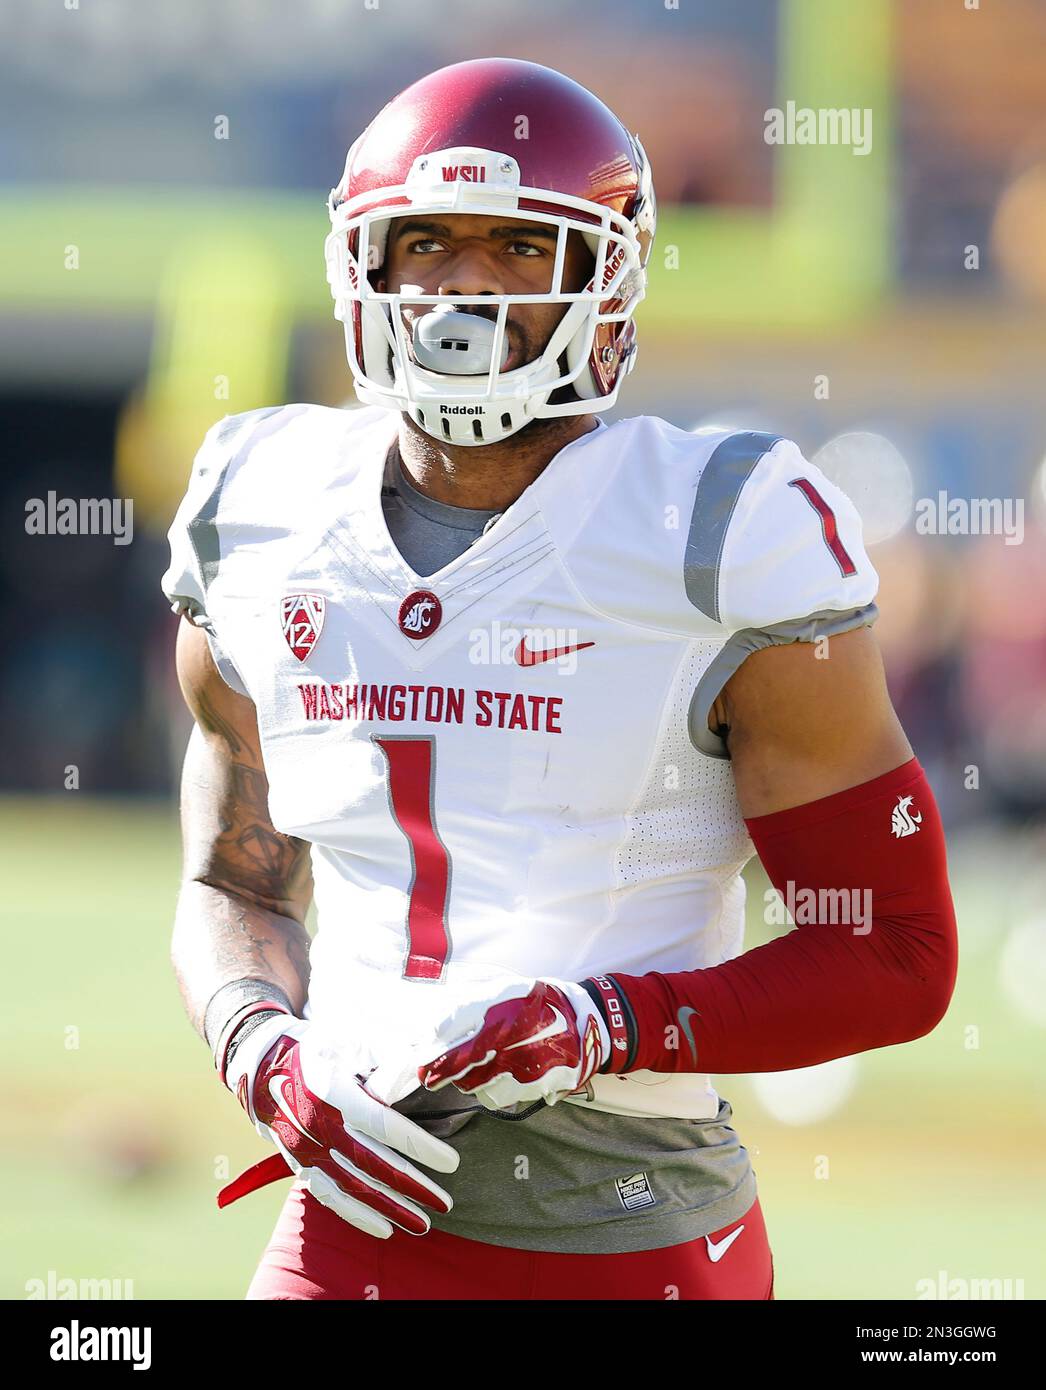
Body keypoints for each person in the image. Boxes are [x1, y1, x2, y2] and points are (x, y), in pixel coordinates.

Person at [162, 57, 957, 1301]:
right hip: (348, 1225)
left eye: (517, 246)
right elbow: (229, 882)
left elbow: (896, 952)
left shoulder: (713, 531)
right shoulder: (258, 506)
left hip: (628, 1234)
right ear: (361, 266)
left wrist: (599, 1023)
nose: (464, 286)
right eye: (423, 241)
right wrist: (261, 1047)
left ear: (606, 279)